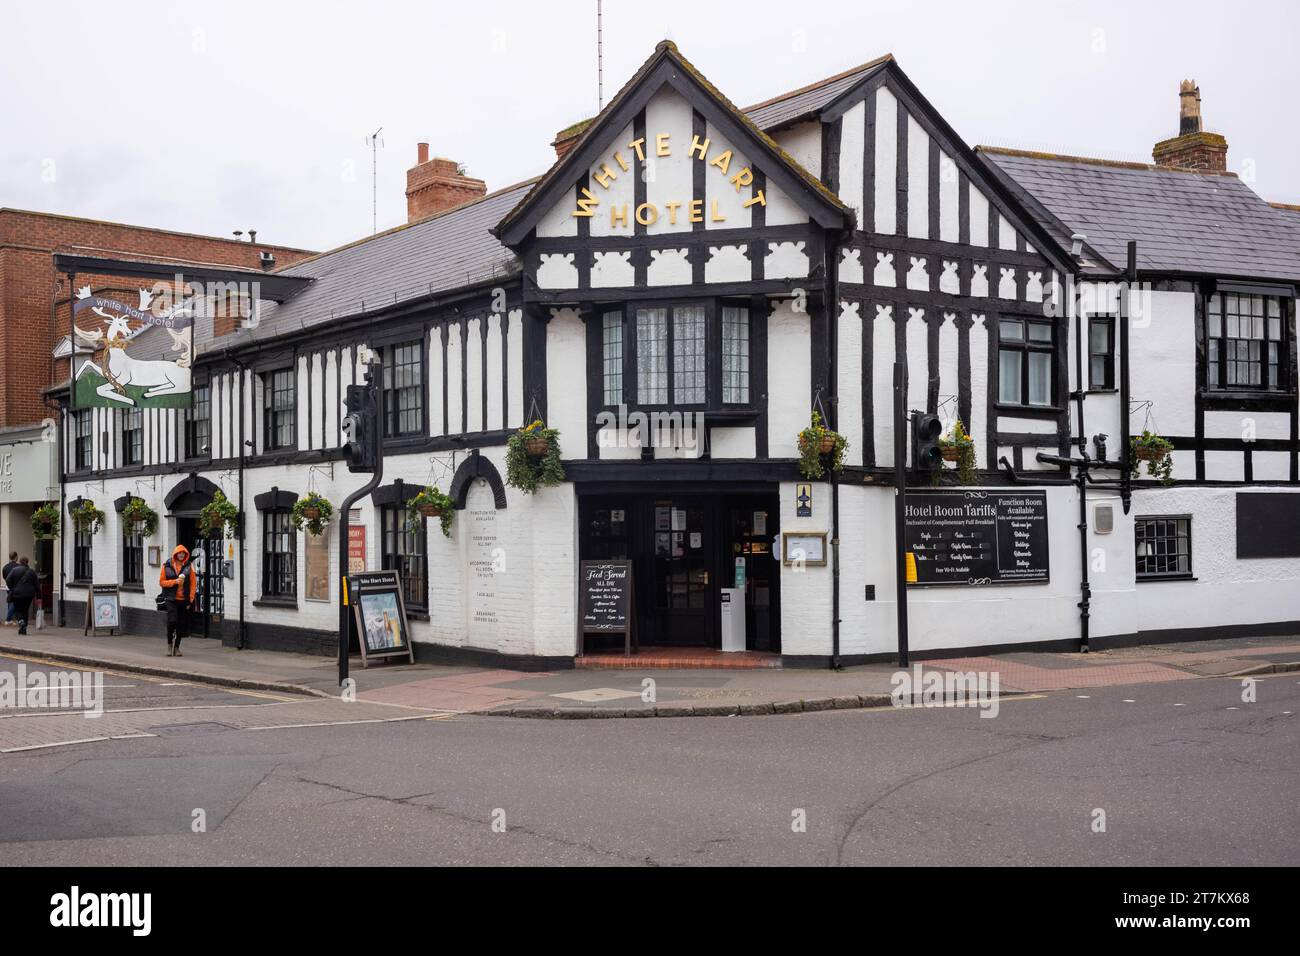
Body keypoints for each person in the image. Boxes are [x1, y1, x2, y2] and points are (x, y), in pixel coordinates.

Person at [159, 544, 197, 657]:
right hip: (171, 599)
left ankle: (177, 648)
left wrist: (190, 599)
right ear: (175, 554)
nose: (181, 555)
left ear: (185, 555)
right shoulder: (167, 565)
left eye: (183, 553)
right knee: (172, 621)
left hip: (183, 600)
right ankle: (169, 645)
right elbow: (161, 582)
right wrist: (174, 582)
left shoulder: (189, 566)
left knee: (181, 624)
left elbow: (193, 584)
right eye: (179, 553)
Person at [5, 557, 39, 636]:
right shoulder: (32, 572)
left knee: (17, 609)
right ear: (27, 562)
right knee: (25, 610)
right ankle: (24, 629)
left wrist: (12, 588)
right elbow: (37, 585)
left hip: (17, 594)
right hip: (29, 595)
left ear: (20, 562)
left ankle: (21, 621)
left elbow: (8, 580)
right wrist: (39, 596)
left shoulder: (14, 570)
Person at [2, 551, 17, 626]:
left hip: (8, 587)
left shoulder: (5, 567)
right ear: (16, 557)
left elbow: (4, 577)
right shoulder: (18, 566)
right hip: (16, 587)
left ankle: (10, 619)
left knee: (10, 601)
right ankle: (8, 619)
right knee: (14, 602)